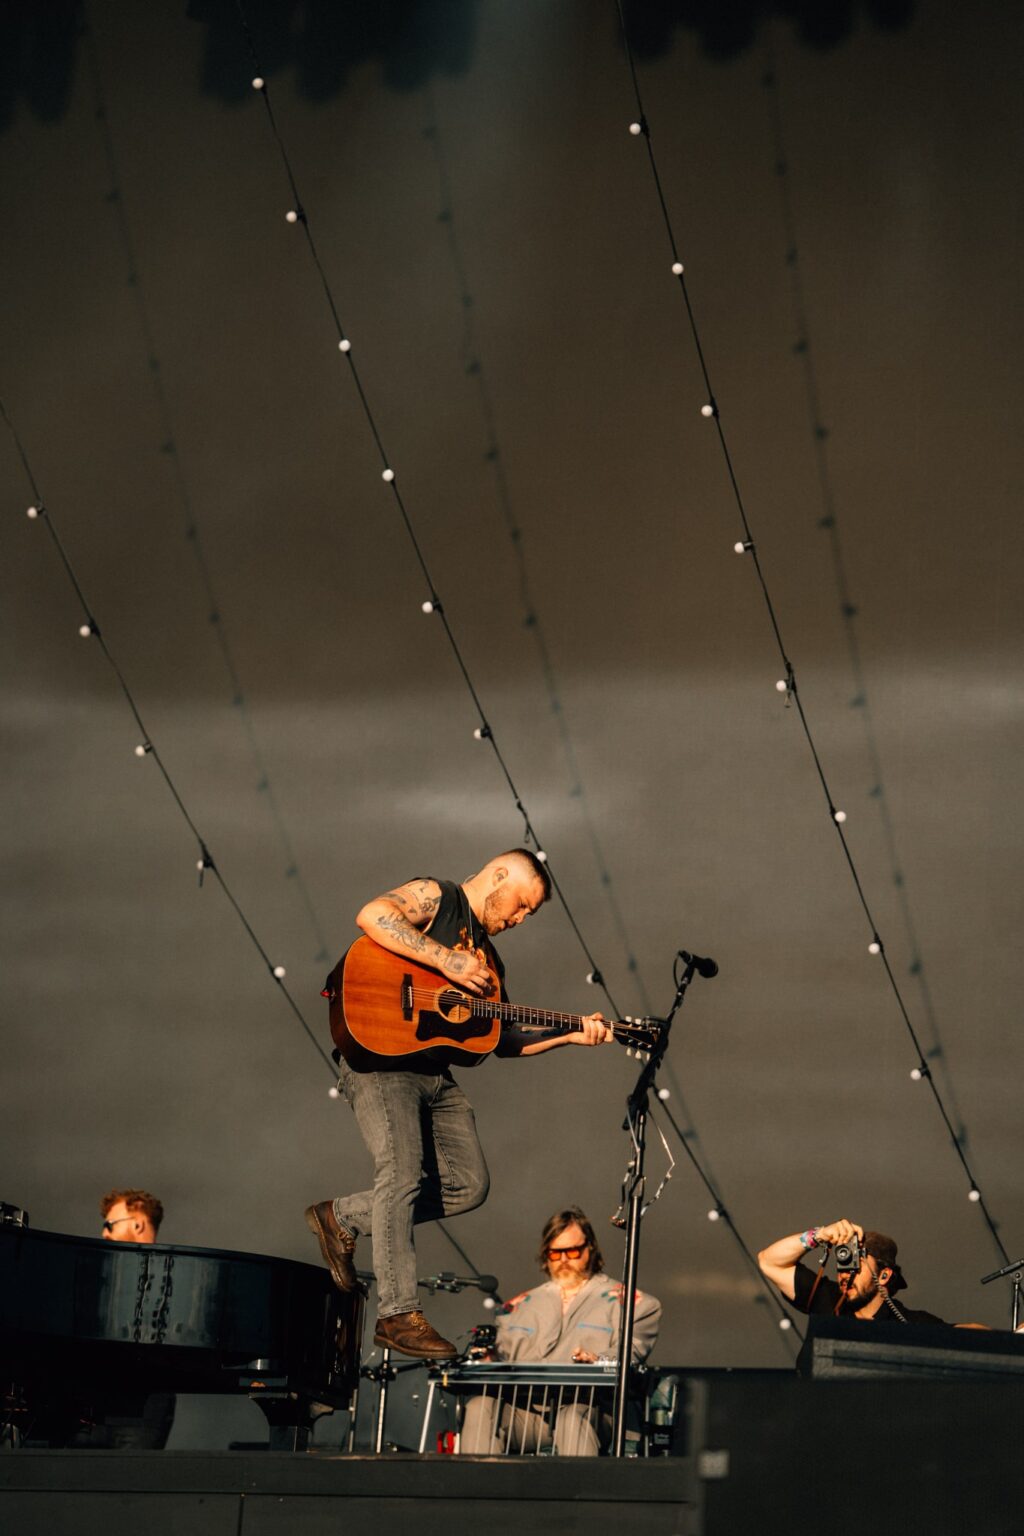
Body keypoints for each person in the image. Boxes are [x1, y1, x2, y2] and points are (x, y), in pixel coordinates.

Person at [306, 851, 615, 1361]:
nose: (518, 919)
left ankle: (339, 1215)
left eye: (526, 916)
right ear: (499, 875)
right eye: (520, 905)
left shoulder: (490, 965)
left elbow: (502, 1037)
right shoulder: (438, 896)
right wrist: (445, 959)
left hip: (434, 1074)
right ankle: (398, 1314)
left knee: (469, 1184)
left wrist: (572, 1035)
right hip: (381, 1059)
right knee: (401, 1173)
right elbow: (373, 915)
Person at [459, 1206, 661, 1455]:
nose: (564, 1260)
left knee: (572, 1416)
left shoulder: (635, 1304)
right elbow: (502, 1356)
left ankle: (578, 1493)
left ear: (591, 1249)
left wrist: (600, 1360)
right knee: (480, 1407)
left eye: (572, 1251)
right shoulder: (516, 1307)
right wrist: (487, 1359)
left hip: (594, 1410)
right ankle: (478, 1491)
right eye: (555, 1254)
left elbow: (630, 1352)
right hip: (531, 1414)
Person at [757, 1218, 947, 1324]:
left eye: (856, 1262)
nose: (845, 1272)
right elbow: (769, 1262)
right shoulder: (827, 1299)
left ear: (883, 1275)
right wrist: (819, 1235)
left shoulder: (910, 1322)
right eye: (844, 1261)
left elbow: (969, 1335)